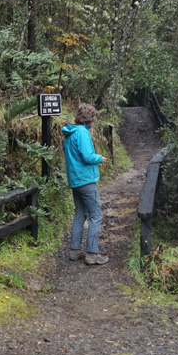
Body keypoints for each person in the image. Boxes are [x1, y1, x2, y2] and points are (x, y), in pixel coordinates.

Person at [61, 103, 108, 265]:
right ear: (91, 118)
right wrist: (99, 158)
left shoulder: (70, 133)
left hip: (75, 180)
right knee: (96, 215)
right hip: (86, 180)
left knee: (80, 214)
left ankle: (74, 251)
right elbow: (88, 157)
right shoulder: (82, 133)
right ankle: (92, 254)